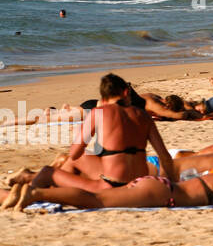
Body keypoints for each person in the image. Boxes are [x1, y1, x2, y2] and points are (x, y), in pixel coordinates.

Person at [12, 74, 176, 194]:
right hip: (141, 183)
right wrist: (171, 185)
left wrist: (83, 136)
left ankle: (31, 192)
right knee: (74, 161)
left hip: (113, 187)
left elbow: (75, 153)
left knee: (53, 170)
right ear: (126, 93)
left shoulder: (99, 113)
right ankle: (46, 187)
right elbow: (165, 157)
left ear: (103, 97)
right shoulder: (144, 116)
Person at [7, 147, 213, 211]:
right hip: (161, 191)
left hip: (158, 184)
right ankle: (37, 193)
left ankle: (25, 189)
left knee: (96, 193)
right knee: (96, 200)